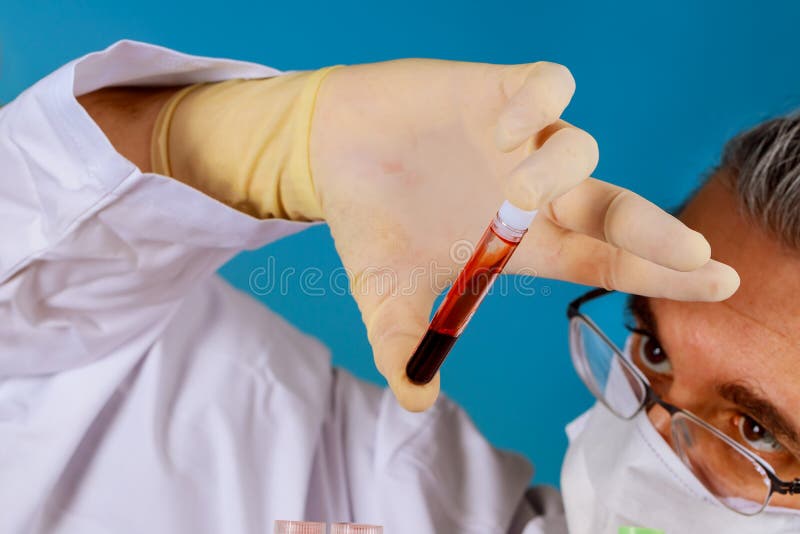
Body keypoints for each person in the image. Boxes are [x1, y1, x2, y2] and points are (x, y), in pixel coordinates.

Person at [0, 39, 781, 533]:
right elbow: (34, 358)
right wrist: (230, 142)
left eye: (759, 432)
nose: (652, 445)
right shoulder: (381, 494)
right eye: (650, 347)